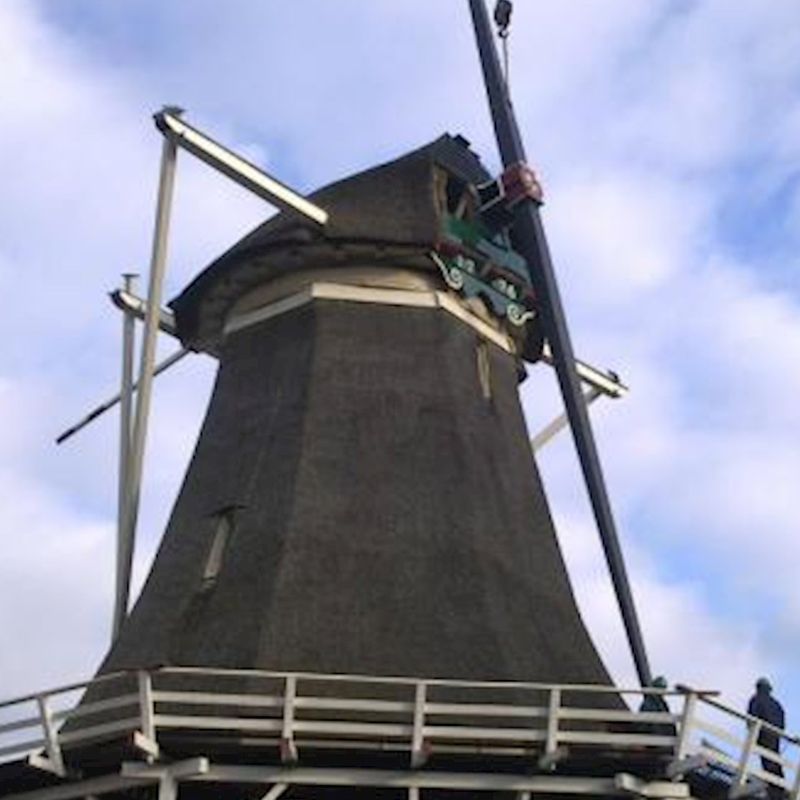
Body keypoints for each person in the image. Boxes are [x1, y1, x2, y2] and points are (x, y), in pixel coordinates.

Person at [747, 678, 785, 783]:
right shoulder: (777, 704)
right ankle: (779, 785)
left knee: (767, 762)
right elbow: (782, 724)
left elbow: (751, 720)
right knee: (774, 760)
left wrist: (753, 737)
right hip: (774, 737)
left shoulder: (755, 700)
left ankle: (773, 786)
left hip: (762, 735)